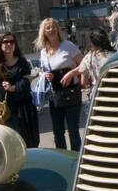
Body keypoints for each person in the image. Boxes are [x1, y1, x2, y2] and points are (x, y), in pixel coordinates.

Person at [0, 31, 39, 148]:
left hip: (21, 109)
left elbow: (27, 81)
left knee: (22, 141)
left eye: (11, 41)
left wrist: (13, 88)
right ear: (0, 44)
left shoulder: (22, 62)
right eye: (5, 42)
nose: (9, 44)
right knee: (5, 143)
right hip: (2, 111)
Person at [35, 17, 83, 151]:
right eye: (48, 28)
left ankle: (75, 158)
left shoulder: (68, 46)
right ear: (43, 32)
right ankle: (62, 158)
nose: (51, 30)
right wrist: (45, 75)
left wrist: (71, 73)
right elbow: (41, 71)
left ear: (57, 28)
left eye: (53, 26)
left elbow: (84, 64)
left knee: (73, 130)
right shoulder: (43, 52)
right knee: (58, 132)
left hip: (71, 93)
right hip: (55, 95)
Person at [79, 28, 112, 106]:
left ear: (92, 42)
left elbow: (84, 82)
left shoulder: (88, 58)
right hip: (114, 90)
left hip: (97, 92)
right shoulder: (114, 55)